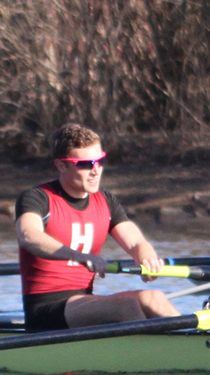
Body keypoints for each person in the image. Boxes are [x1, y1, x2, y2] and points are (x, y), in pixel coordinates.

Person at [16, 124, 180, 331]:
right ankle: (150, 349)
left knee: (154, 297)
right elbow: (29, 235)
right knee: (125, 307)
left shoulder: (105, 201)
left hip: (83, 302)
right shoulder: (37, 198)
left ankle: (193, 343)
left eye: (100, 161)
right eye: (85, 164)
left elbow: (135, 242)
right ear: (61, 165)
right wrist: (78, 256)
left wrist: (147, 257)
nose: (96, 170)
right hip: (45, 309)